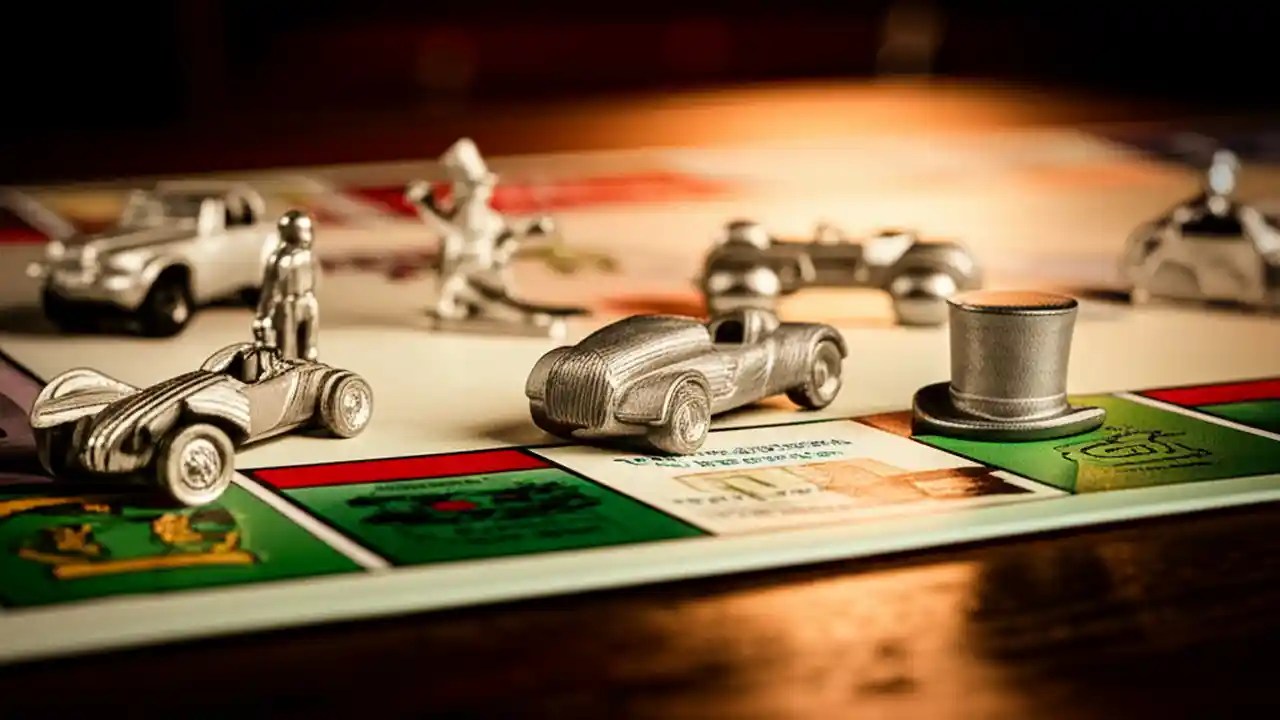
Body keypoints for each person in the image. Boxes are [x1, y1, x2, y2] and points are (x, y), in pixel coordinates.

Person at [253, 210, 319, 362]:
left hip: (308, 302)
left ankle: (308, 377)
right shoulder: (280, 260)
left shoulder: (308, 256)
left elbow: (314, 281)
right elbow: (269, 289)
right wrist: (263, 316)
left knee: (310, 350)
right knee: (285, 351)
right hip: (286, 306)